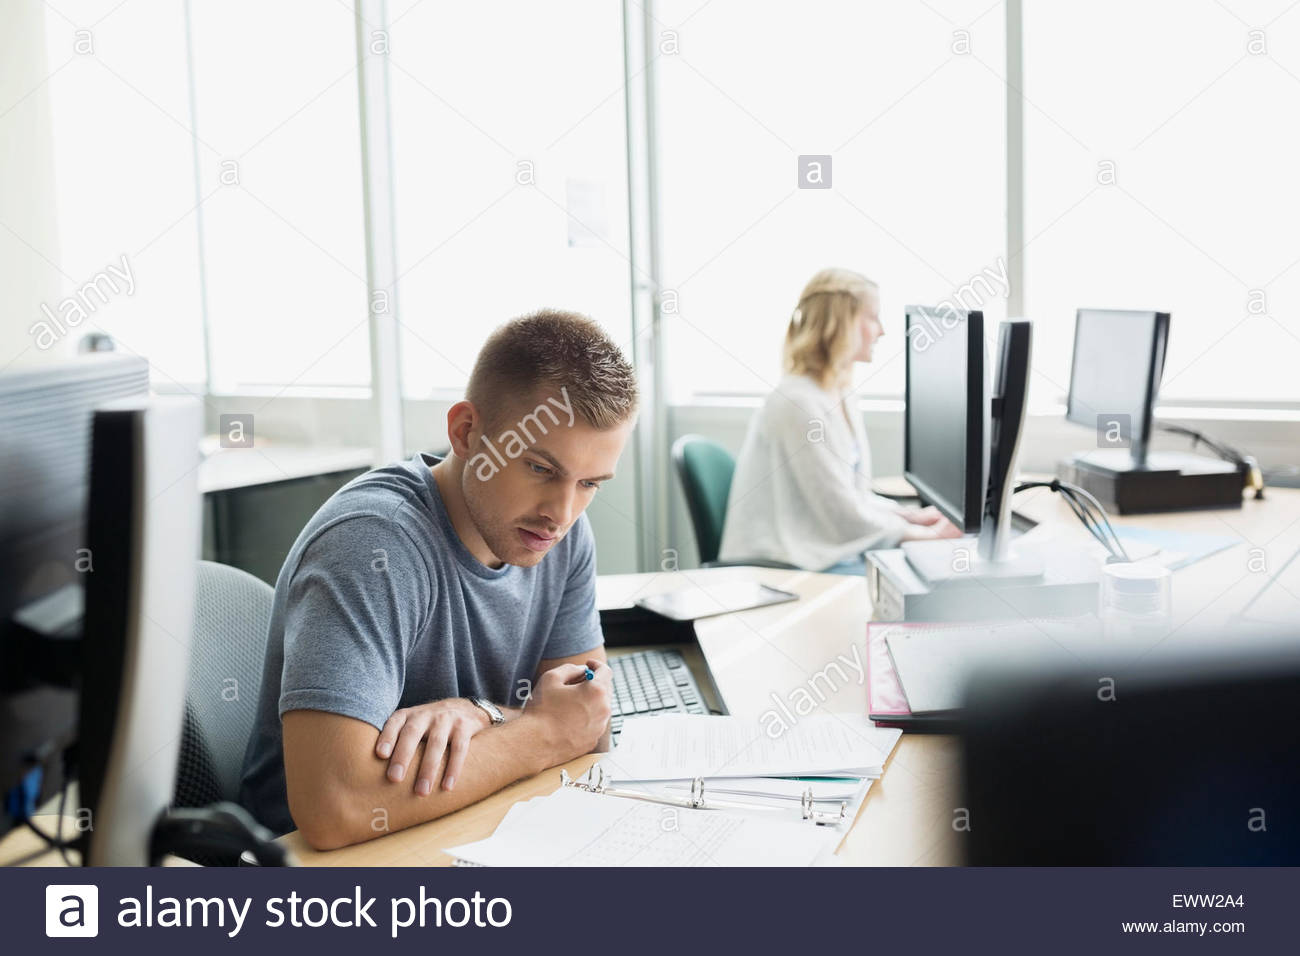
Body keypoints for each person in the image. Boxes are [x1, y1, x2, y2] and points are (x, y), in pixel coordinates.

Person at [240, 310, 637, 849]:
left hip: (459, 832)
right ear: (466, 431)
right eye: (540, 469)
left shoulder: (561, 534)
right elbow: (334, 805)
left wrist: (486, 714)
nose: (561, 513)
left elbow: (586, 717)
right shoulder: (372, 543)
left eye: (590, 482)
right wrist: (538, 732)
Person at [719, 268, 958, 573]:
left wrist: (906, 517)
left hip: (818, 551)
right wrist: (922, 536)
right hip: (784, 561)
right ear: (841, 323)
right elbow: (840, 515)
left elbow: (850, 497)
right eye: (873, 318)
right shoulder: (798, 403)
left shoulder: (839, 392)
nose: (881, 330)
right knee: (909, 589)